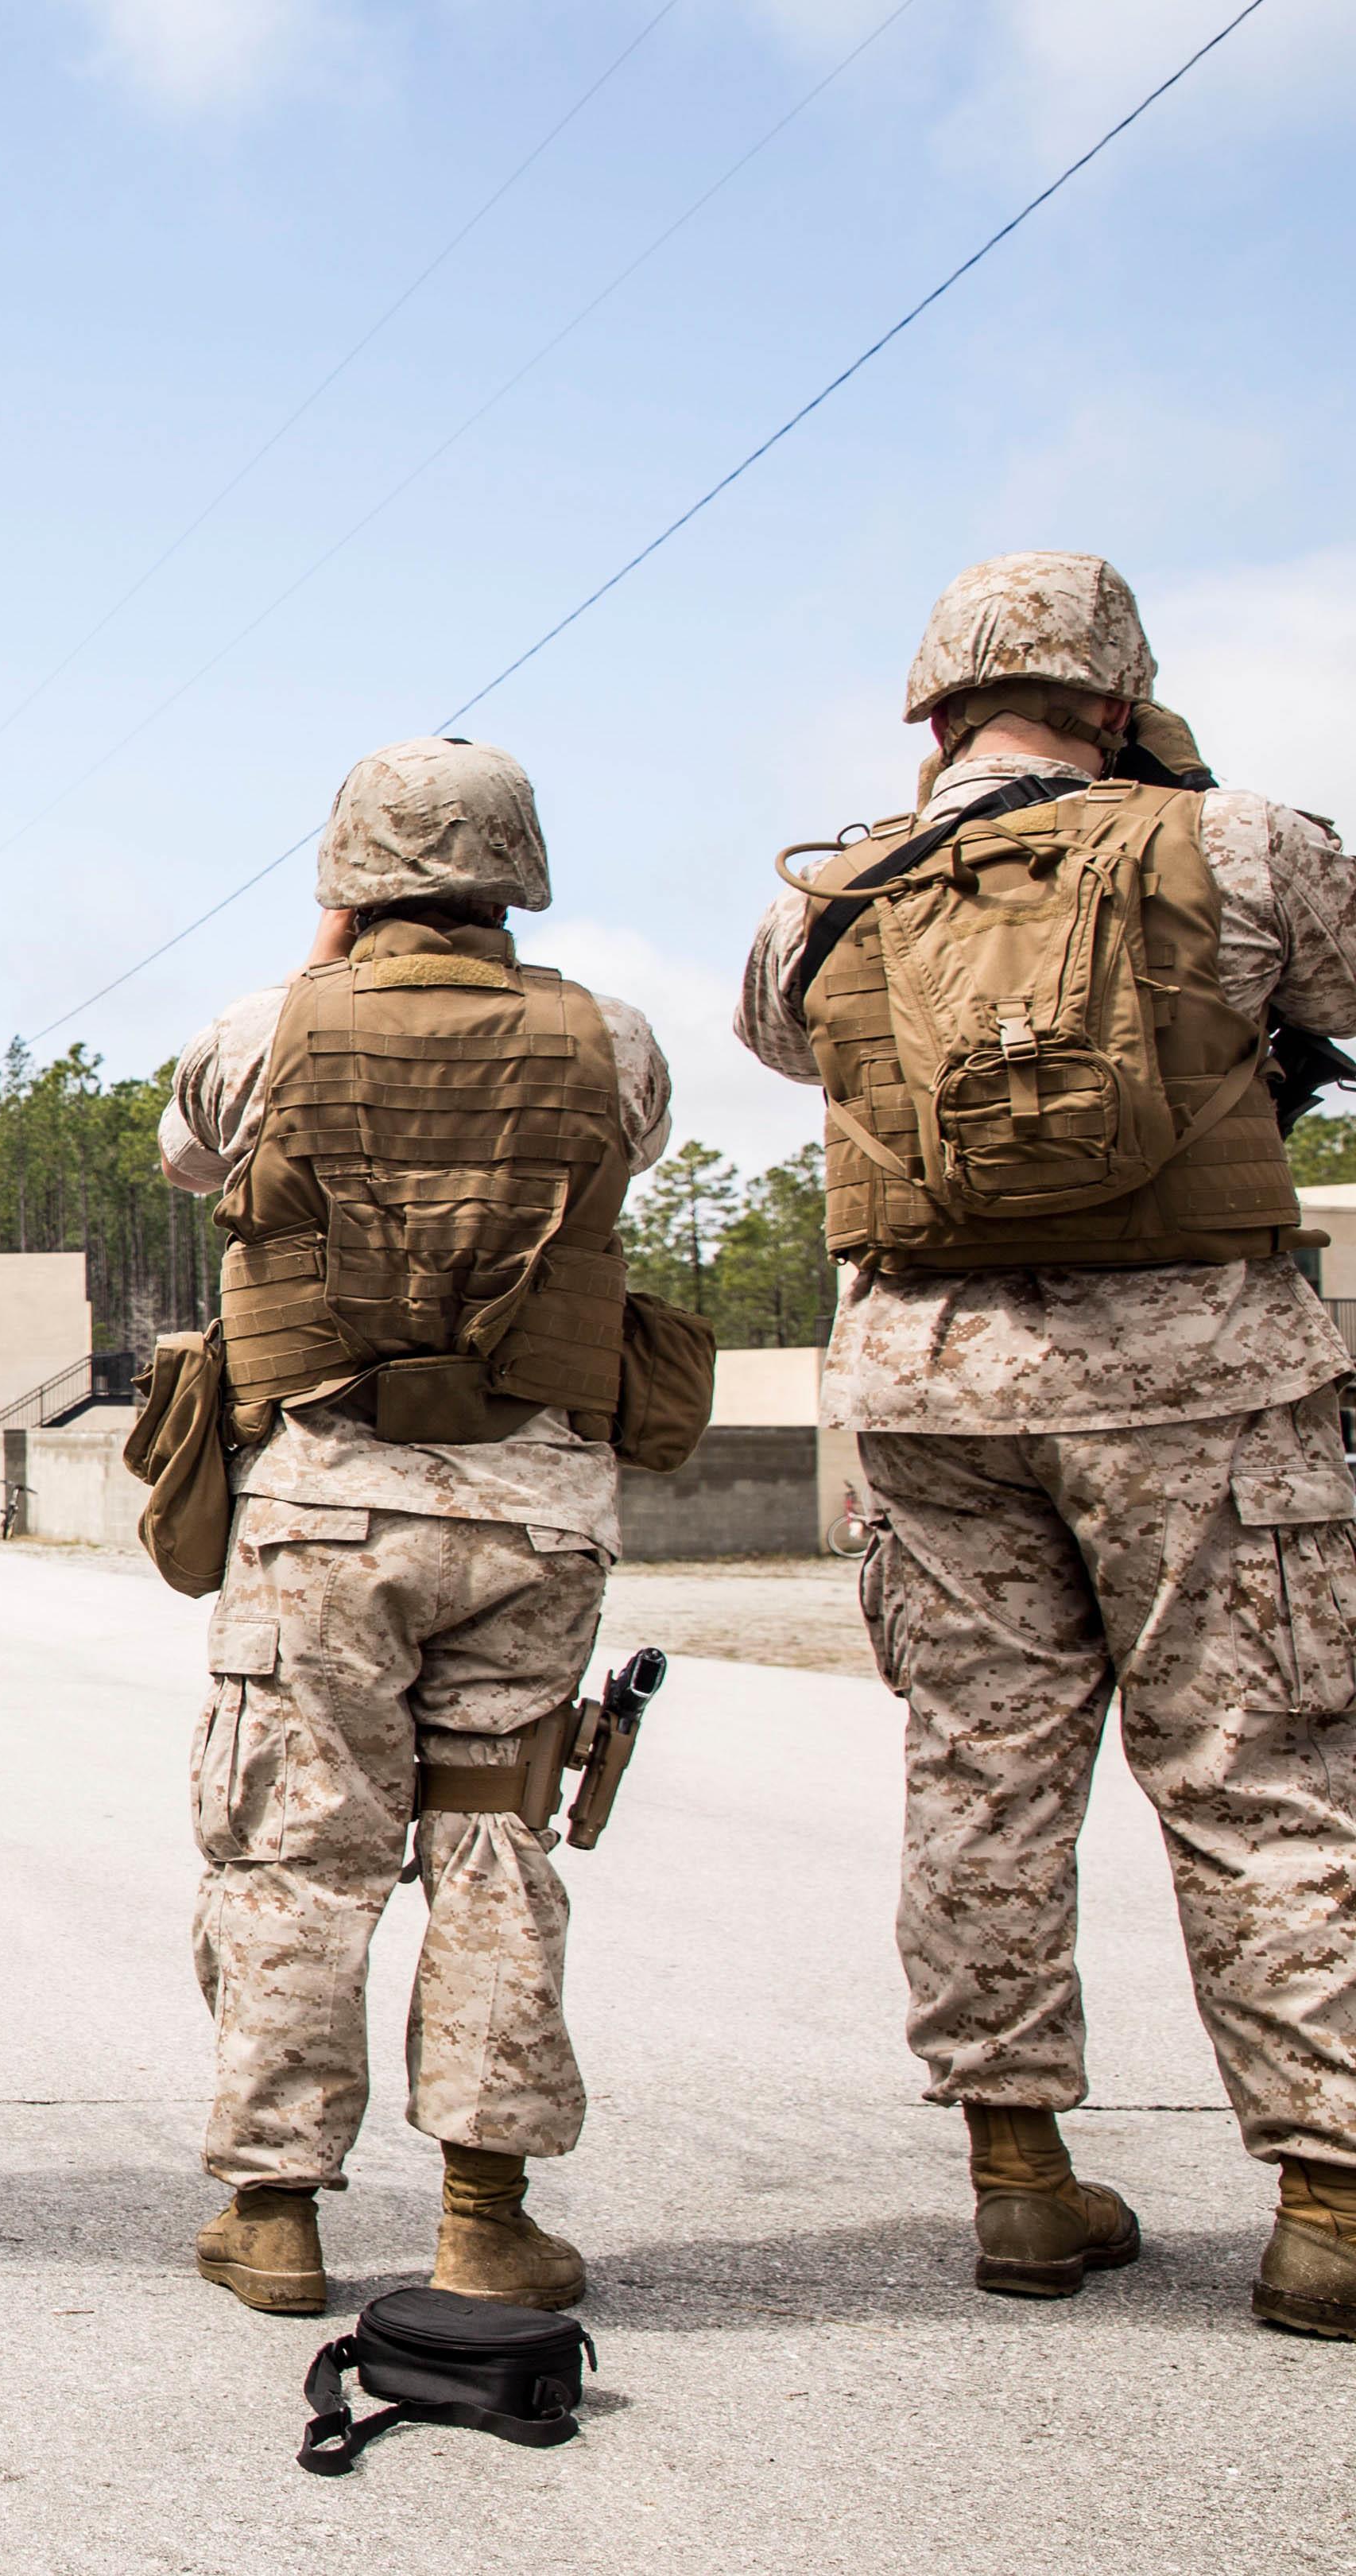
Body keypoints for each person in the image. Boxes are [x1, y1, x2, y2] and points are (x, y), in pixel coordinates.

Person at [737, 552, 1356, 2339]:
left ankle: (1019, 2181)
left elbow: (787, 1048)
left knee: (982, 1778)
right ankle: (1324, 2198)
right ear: (1117, 696)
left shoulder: (830, 896)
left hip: (937, 1386)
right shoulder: (1237, 845)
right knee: (1260, 1768)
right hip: (1200, 1379)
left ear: (930, 712)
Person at [161, 738, 682, 2318]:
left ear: (344, 877)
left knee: (299, 1855)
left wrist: (316, 979)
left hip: (328, 1513)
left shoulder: (263, 1034)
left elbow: (195, 1160)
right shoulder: (613, 1038)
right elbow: (627, 1156)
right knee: (494, 1848)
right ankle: (484, 2218)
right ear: (514, 873)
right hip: (533, 1513)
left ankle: (274, 2214)